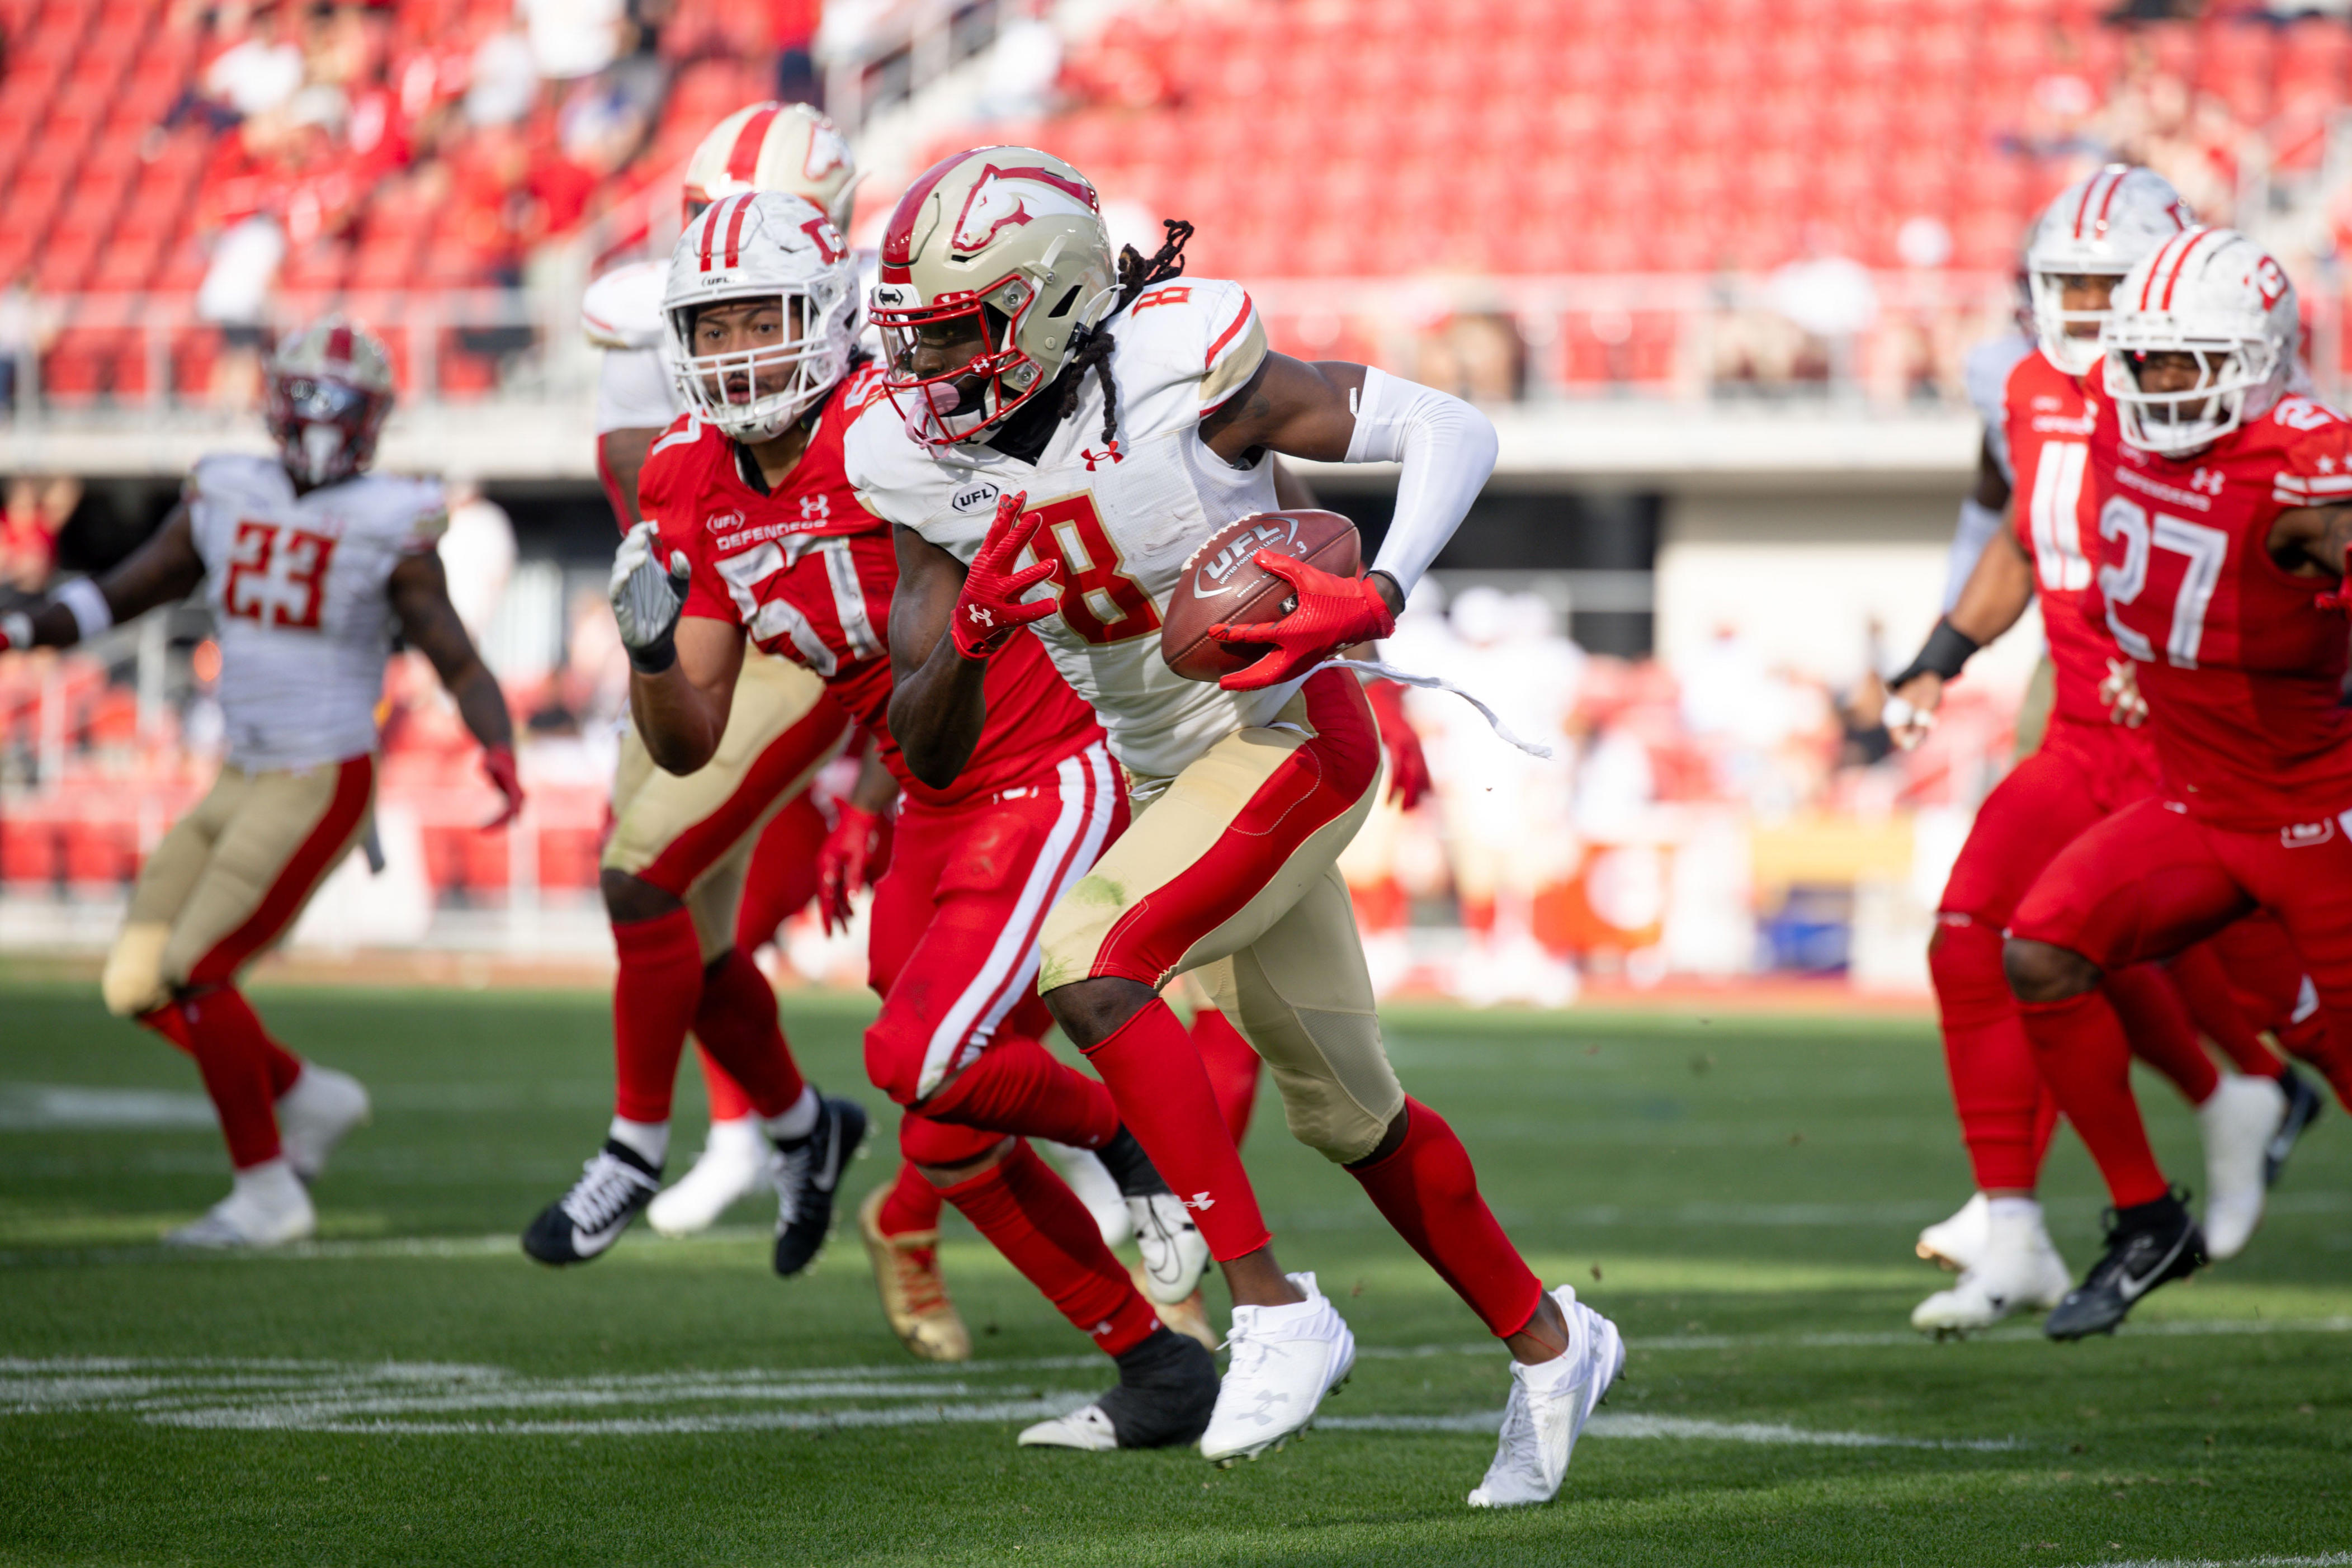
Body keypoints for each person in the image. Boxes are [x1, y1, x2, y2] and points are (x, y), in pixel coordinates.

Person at [848, 147, 1621, 1505]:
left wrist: (1374, 591)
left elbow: (1455, 431)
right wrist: (968, 633)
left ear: (1051, 304)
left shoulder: (1178, 367)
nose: (928, 380)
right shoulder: (912, 461)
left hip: (1289, 739)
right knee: (1347, 1110)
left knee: (1089, 955)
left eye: (957, 338)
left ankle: (1269, 1306)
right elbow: (927, 742)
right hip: (1165, 780)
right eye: (913, 342)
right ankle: (1554, 1345)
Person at [606, 190, 1217, 1439]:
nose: (736, 355)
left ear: (826, 314)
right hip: (936, 785)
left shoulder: (898, 423)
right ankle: (1156, 1364)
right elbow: (692, 741)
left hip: (1046, 751)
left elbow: (1027, 546)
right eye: (709, 330)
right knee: (944, 1126)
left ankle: (1137, 1156)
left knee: (917, 1061)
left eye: (758, 320)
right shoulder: (682, 475)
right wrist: (652, 654)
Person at [1885, 169, 2322, 1332]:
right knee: (2006, 937)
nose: (2087, 318)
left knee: (2296, 1003)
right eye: (2064, 288)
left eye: (2106, 287)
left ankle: (2240, 1092)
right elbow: (2022, 532)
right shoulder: (2037, 390)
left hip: (2249, 767)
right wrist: (1939, 649)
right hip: (2107, 735)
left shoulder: (2257, 426)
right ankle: (2040, 1214)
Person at [0, 317, 522, 1246]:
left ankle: (268, 1191)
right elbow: (129, 588)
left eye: (340, 406)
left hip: (320, 774)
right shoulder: (225, 489)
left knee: (198, 969)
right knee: (135, 983)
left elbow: (454, 653)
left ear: (374, 419)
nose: (321, 423)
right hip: (238, 772)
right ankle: (306, 1097)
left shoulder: (390, 517)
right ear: (276, 406)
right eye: (308, 401)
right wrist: (28, 628)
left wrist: (497, 743)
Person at [534, 101, 906, 1282]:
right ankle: (805, 1128)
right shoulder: (653, 317)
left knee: (643, 878)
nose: (739, 252)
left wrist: (869, 775)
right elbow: (643, 478)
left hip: (801, 632)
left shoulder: (877, 348)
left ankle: (633, 1147)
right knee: (680, 934)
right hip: (704, 606)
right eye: (713, 227)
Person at [2002, 227, 2352, 1338]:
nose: (2155, 382)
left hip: (2315, 817)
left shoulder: (2306, 468)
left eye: (2184, 362)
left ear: (2255, 357)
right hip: (2196, 802)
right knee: (2042, 948)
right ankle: (2150, 1218)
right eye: (2143, 358)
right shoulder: (2111, 422)